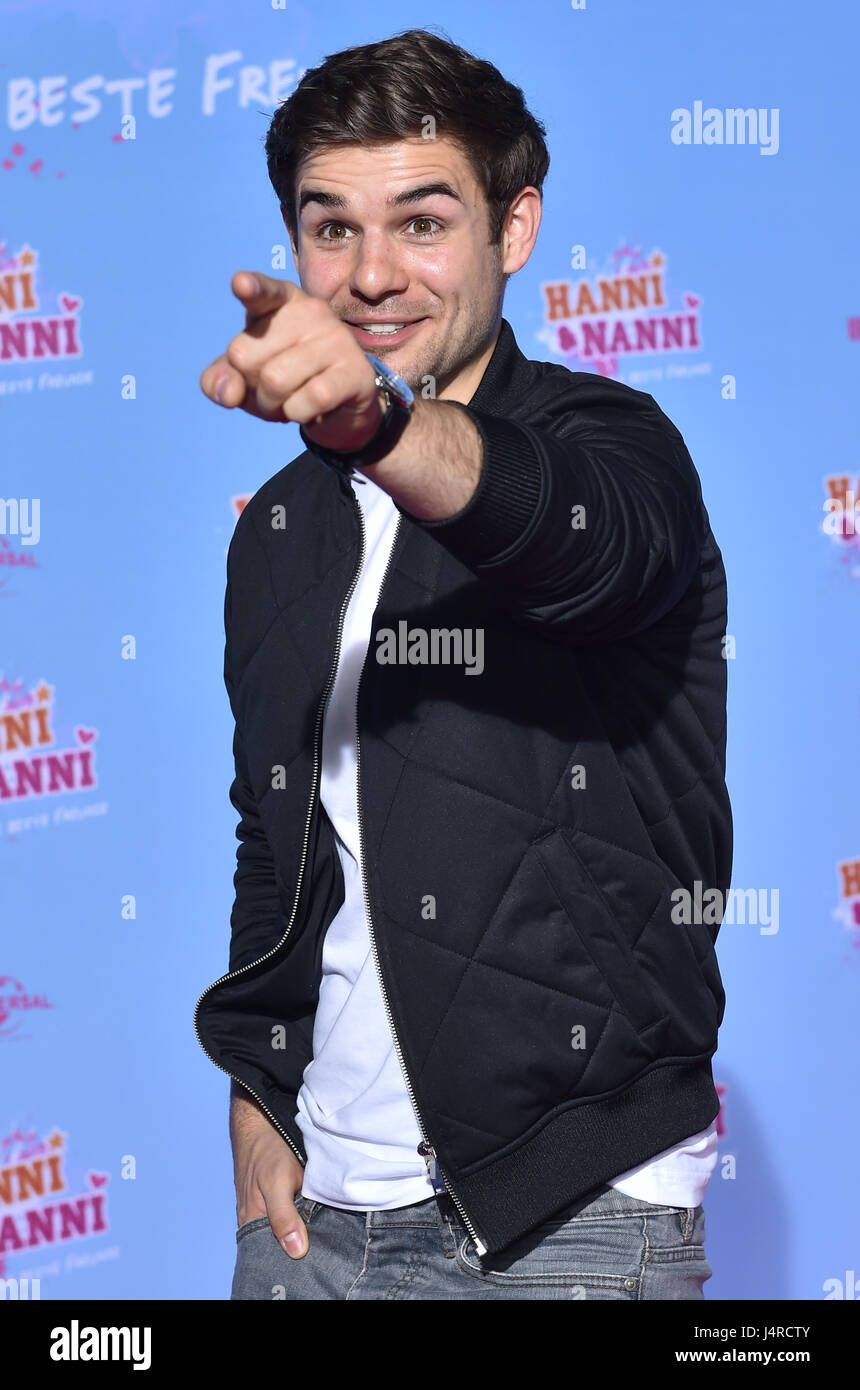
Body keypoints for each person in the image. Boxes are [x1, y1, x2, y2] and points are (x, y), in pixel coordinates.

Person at [195, 27, 732, 1301]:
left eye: (422, 222)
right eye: (330, 229)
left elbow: (570, 539)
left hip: (572, 1221)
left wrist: (377, 424)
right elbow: (277, 837)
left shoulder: (613, 446)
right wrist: (258, 1085)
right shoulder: (280, 527)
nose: (373, 273)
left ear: (515, 227)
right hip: (311, 1225)